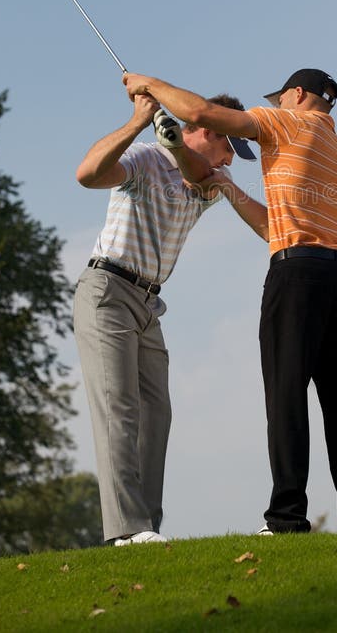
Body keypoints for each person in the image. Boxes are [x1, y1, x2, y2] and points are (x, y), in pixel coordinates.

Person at [122, 68, 337, 535]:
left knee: (286, 395)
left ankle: (286, 517)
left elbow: (201, 113)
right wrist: (226, 187)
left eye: (281, 98)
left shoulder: (283, 122)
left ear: (297, 94)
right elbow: (272, 226)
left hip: (298, 274)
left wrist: (149, 85)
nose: (275, 105)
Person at [73, 85, 264, 546]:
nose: (229, 161)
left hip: (148, 305)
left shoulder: (208, 183)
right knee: (118, 406)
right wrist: (139, 123)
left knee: (157, 414)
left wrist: (177, 144)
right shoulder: (142, 157)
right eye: (227, 146)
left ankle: (147, 529)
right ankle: (126, 531)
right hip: (107, 290)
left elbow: (199, 176)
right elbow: (87, 174)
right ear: (202, 128)